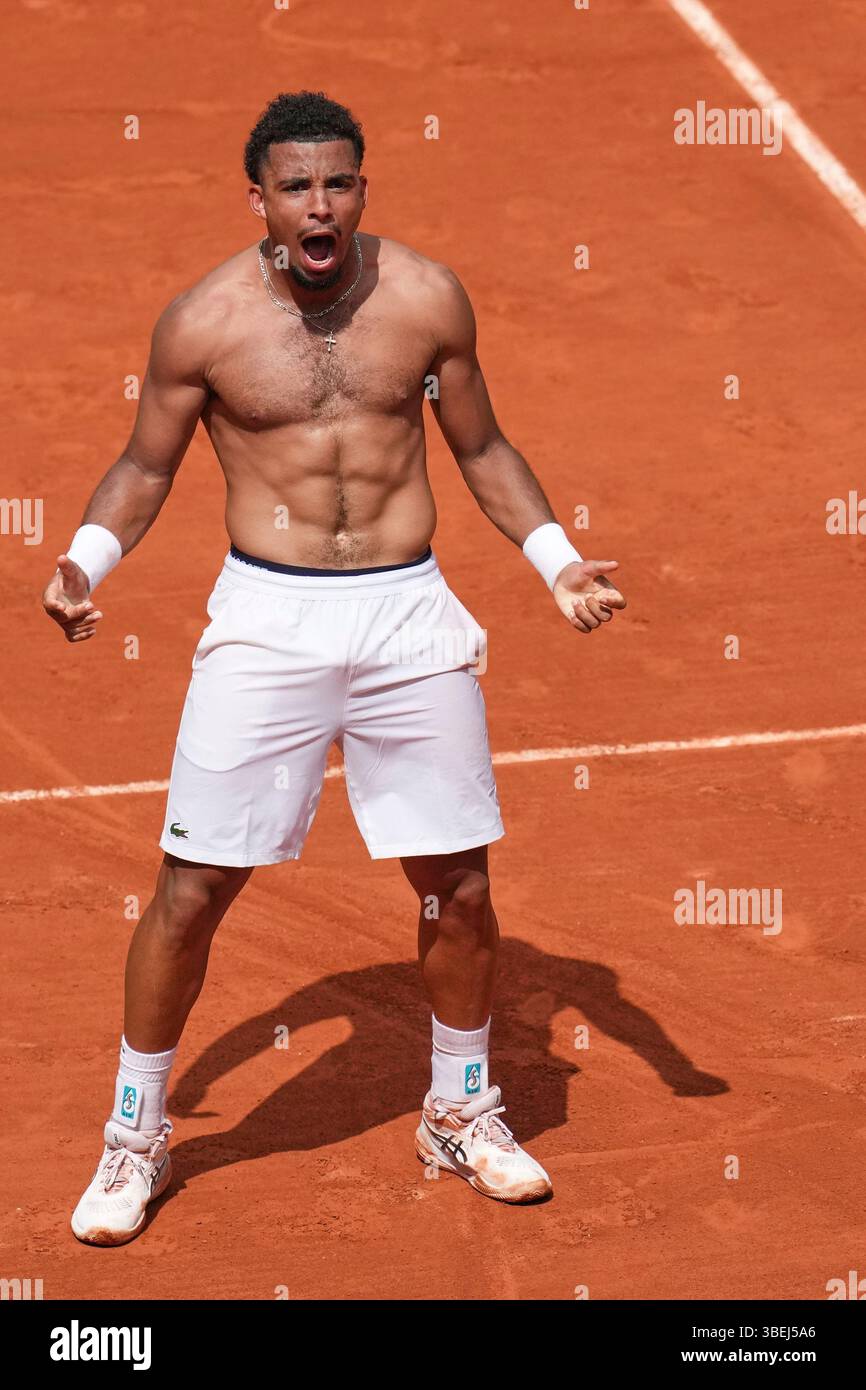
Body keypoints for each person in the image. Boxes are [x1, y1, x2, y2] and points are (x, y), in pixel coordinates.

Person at [42, 91, 626, 1245]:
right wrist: (83, 559)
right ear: (257, 197)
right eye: (297, 185)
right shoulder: (202, 322)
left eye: (339, 183)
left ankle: (459, 1110)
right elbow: (145, 466)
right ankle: (135, 1133)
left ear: (363, 188)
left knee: (455, 884)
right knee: (193, 888)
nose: (321, 204)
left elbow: (481, 447)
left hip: (407, 613)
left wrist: (554, 562)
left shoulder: (423, 299)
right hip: (267, 621)